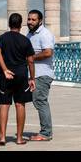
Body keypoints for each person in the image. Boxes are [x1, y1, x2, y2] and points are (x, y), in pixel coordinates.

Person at [0, 12, 35, 146]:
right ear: (21, 24)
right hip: (21, 75)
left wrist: (5, 69)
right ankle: (19, 138)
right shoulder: (25, 40)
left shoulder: (4, 38)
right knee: (20, 104)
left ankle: (2, 138)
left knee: (4, 105)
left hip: (6, 76)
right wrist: (32, 78)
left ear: (9, 24)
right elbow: (30, 61)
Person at [26, 9, 55, 142]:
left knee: (40, 101)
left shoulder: (45, 34)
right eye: (29, 19)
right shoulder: (30, 34)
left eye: (33, 20)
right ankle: (45, 131)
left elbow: (48, 52)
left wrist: (31, 58)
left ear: (40, 21)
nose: (30, 22)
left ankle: (46, 133)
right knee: (38, 101)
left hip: (42, 74)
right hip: (34, 74)